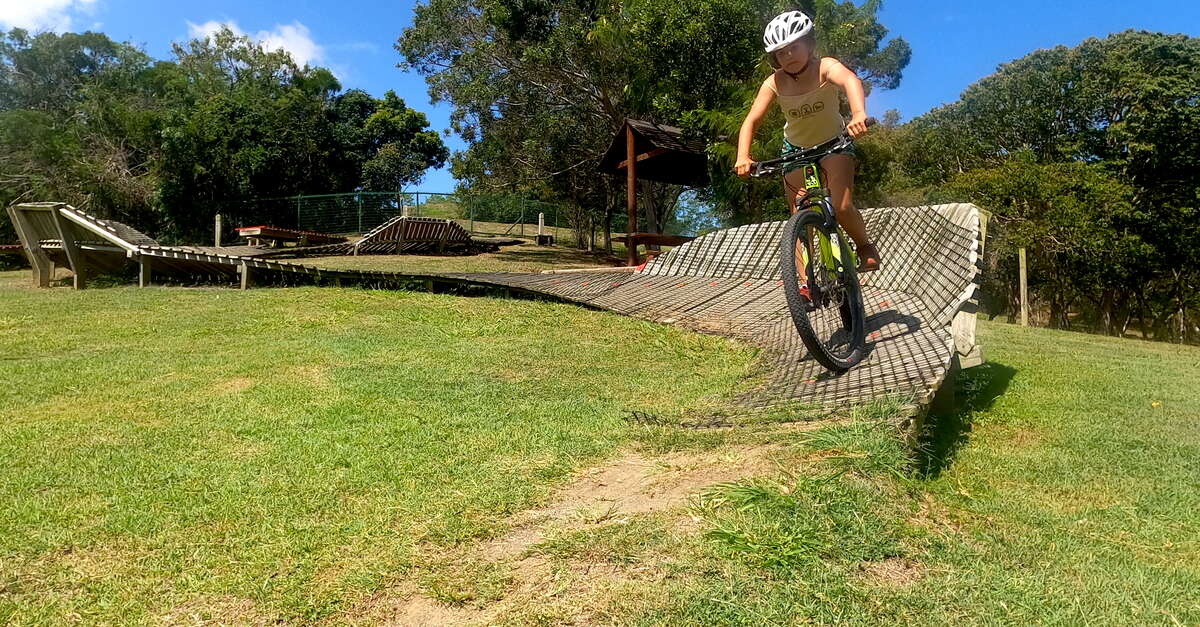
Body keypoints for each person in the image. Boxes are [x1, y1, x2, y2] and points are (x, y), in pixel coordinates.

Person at [734, 10, 880, 272]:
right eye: (781, 53)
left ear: (809, 44)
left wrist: (858, 114)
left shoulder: (825, 66)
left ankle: (864, 246)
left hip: (834, 143)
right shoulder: (774, 82)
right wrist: (743, 156)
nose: (788, 56)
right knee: (799, 218)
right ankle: (803, 284)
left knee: (842, 206)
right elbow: (751, 120)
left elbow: (850, 80)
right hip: (795, 151)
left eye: (793, 48)